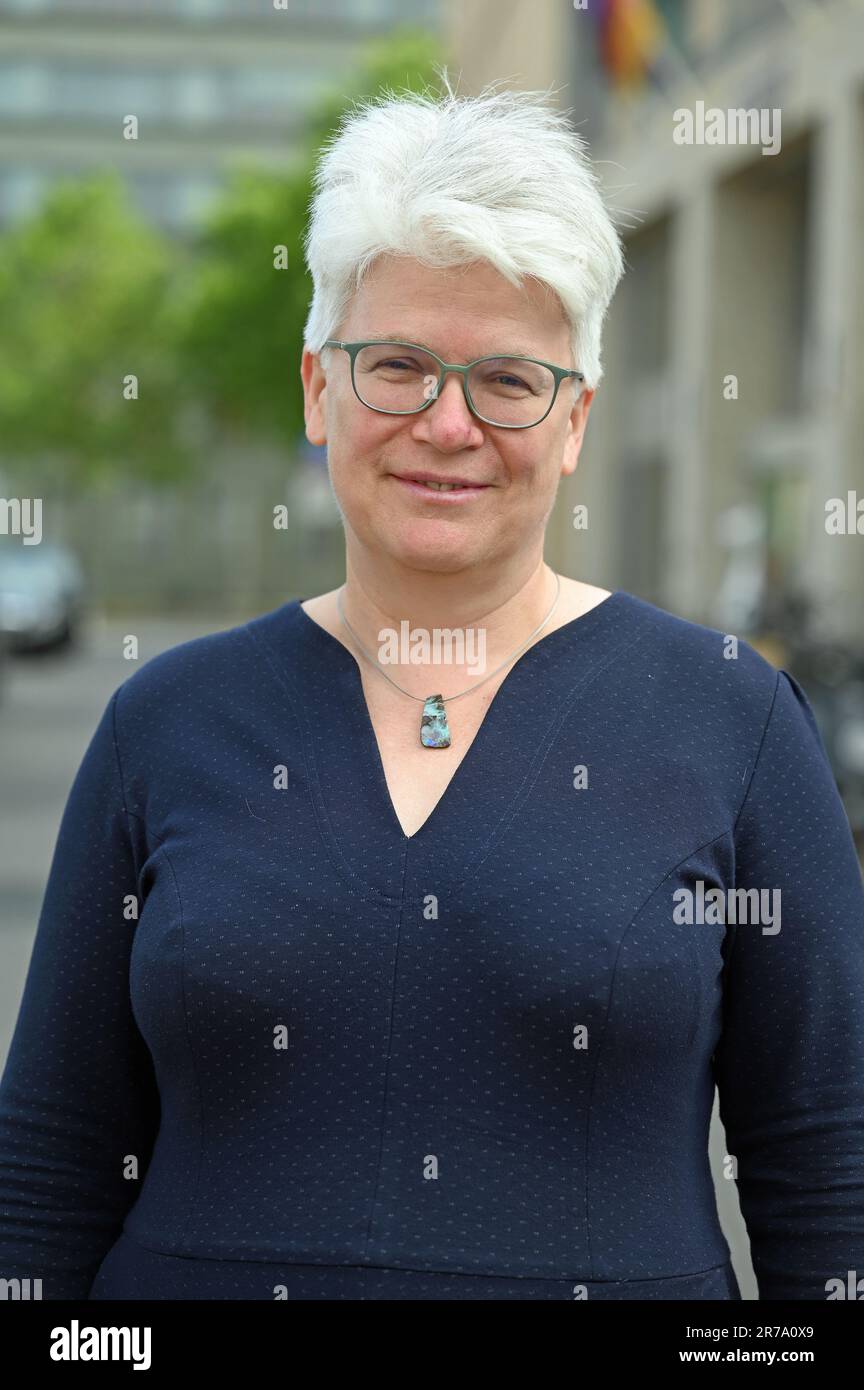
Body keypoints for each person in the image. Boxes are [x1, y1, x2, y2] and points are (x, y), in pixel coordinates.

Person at [1, 75, 862, 1303]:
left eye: (509, 380)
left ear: (575, 422)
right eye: (396, 364)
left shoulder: (732, 725)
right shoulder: (166, 722)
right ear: (318, 389)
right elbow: (52, 1152)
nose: (448, 424)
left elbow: (827, 1164)